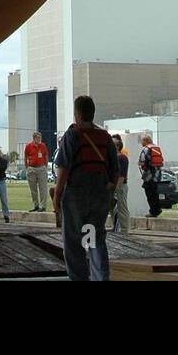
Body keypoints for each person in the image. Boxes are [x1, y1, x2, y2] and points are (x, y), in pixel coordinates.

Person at [54, 95, 120, 281]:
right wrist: (109, 192)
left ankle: (79, 278)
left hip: (76, 194)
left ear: (76, 114)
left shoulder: (72, 134)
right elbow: (115, 171)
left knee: (74, 241)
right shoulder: (105, 137)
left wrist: (57, 196)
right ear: (93, 113)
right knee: (95, 238)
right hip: (99, 195)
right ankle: (100, 278)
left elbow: (64, 168)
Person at [138, 133, 165, 217]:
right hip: (157, 175)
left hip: (149, 175)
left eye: (142, 141)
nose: (141, 143)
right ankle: (157, 209)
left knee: (149, 194)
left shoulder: (146, 149)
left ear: (146, 141)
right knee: (154, 193)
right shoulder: (157, 148)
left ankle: (154, 211)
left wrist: (140, 164)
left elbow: (142, 161)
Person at [24, 131, 50, 212]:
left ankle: (43, 206)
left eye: (40, 138)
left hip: (41, 168)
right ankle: (36, 205)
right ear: (34, 138)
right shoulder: (28, 146)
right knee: (33, 189)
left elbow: (46, 156)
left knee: (43, 188)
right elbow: (25, 156)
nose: (39, 139)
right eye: (37, 138)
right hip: (31, 169)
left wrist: (45, 167)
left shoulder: (43, 146)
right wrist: (27, 167)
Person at [111, 133, 130, 233]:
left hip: (120, 185)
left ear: (118, 146)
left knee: (122, 207)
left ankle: (124, 229)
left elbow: (122, 175)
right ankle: (116, 227)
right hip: (112, 186)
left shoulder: (122, 158)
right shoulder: (111, 158)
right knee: (113, 208)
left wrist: (116, 187)